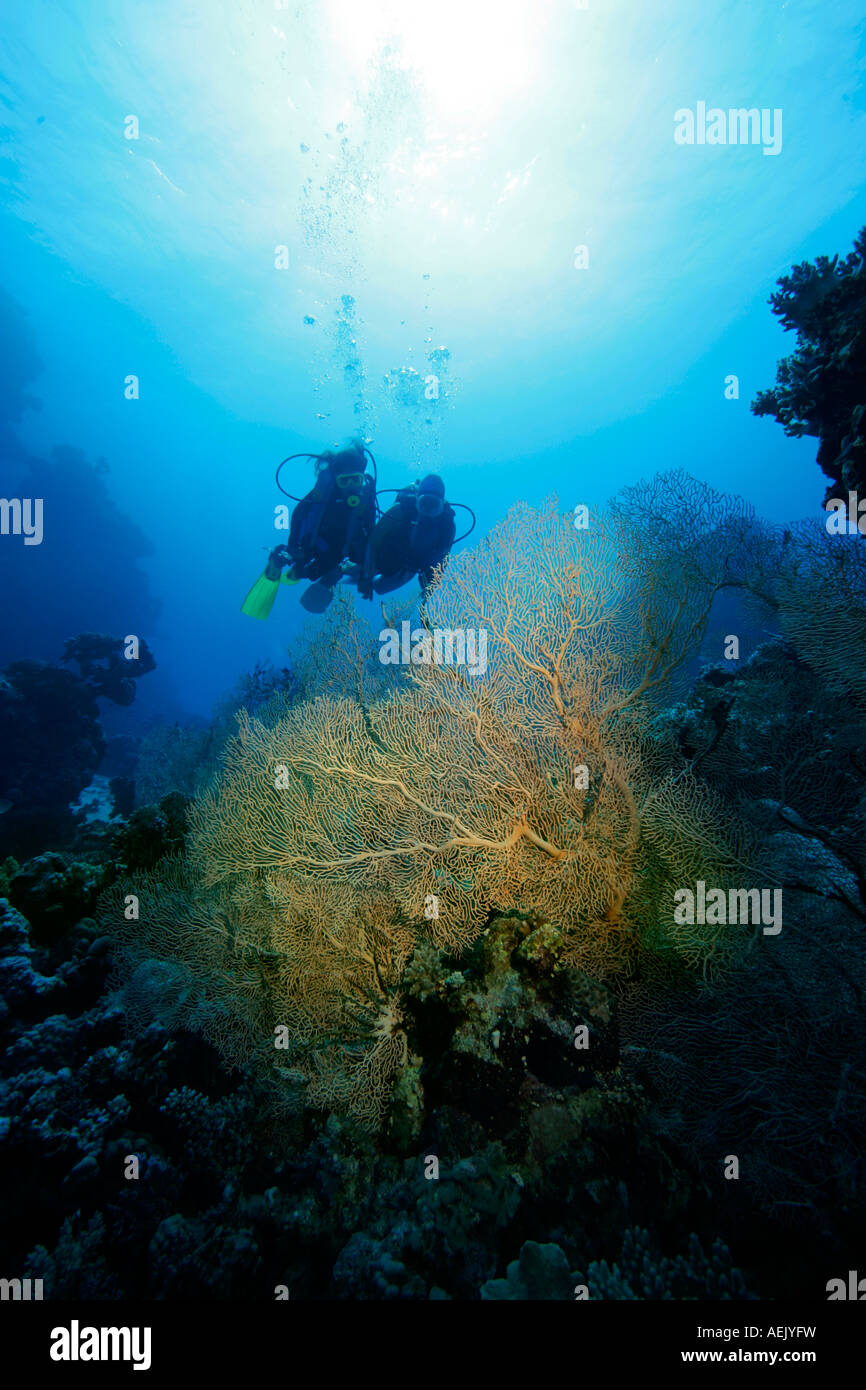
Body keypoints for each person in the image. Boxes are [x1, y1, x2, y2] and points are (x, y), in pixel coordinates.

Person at [271, 442, 376, 612]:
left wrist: (365, 572)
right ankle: (281, 556)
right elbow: (300, 513)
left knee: (325, 571)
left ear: (362, 479)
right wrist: (293, 546)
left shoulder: (366, 500)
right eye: (344, 481)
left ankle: (331, 575)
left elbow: (371, 533)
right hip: (318, 541)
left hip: (345, 548)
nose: (350, 486)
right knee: (302, 568)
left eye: (355, 480)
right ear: (336, 480)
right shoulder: (325, 494)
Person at [357, 474, 456, 599]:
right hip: (386, 553)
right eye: (424, 503)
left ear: (442, 505)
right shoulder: (399, 510)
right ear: (416, 500)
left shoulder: (447, 526)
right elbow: (374, 542)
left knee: (380, 588)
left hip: (412, 565)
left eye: (434, 505)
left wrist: (431, 585)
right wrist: (366, 576)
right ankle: (342, 571)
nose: (429, 511)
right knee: (356, 571)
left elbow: (443, 558)